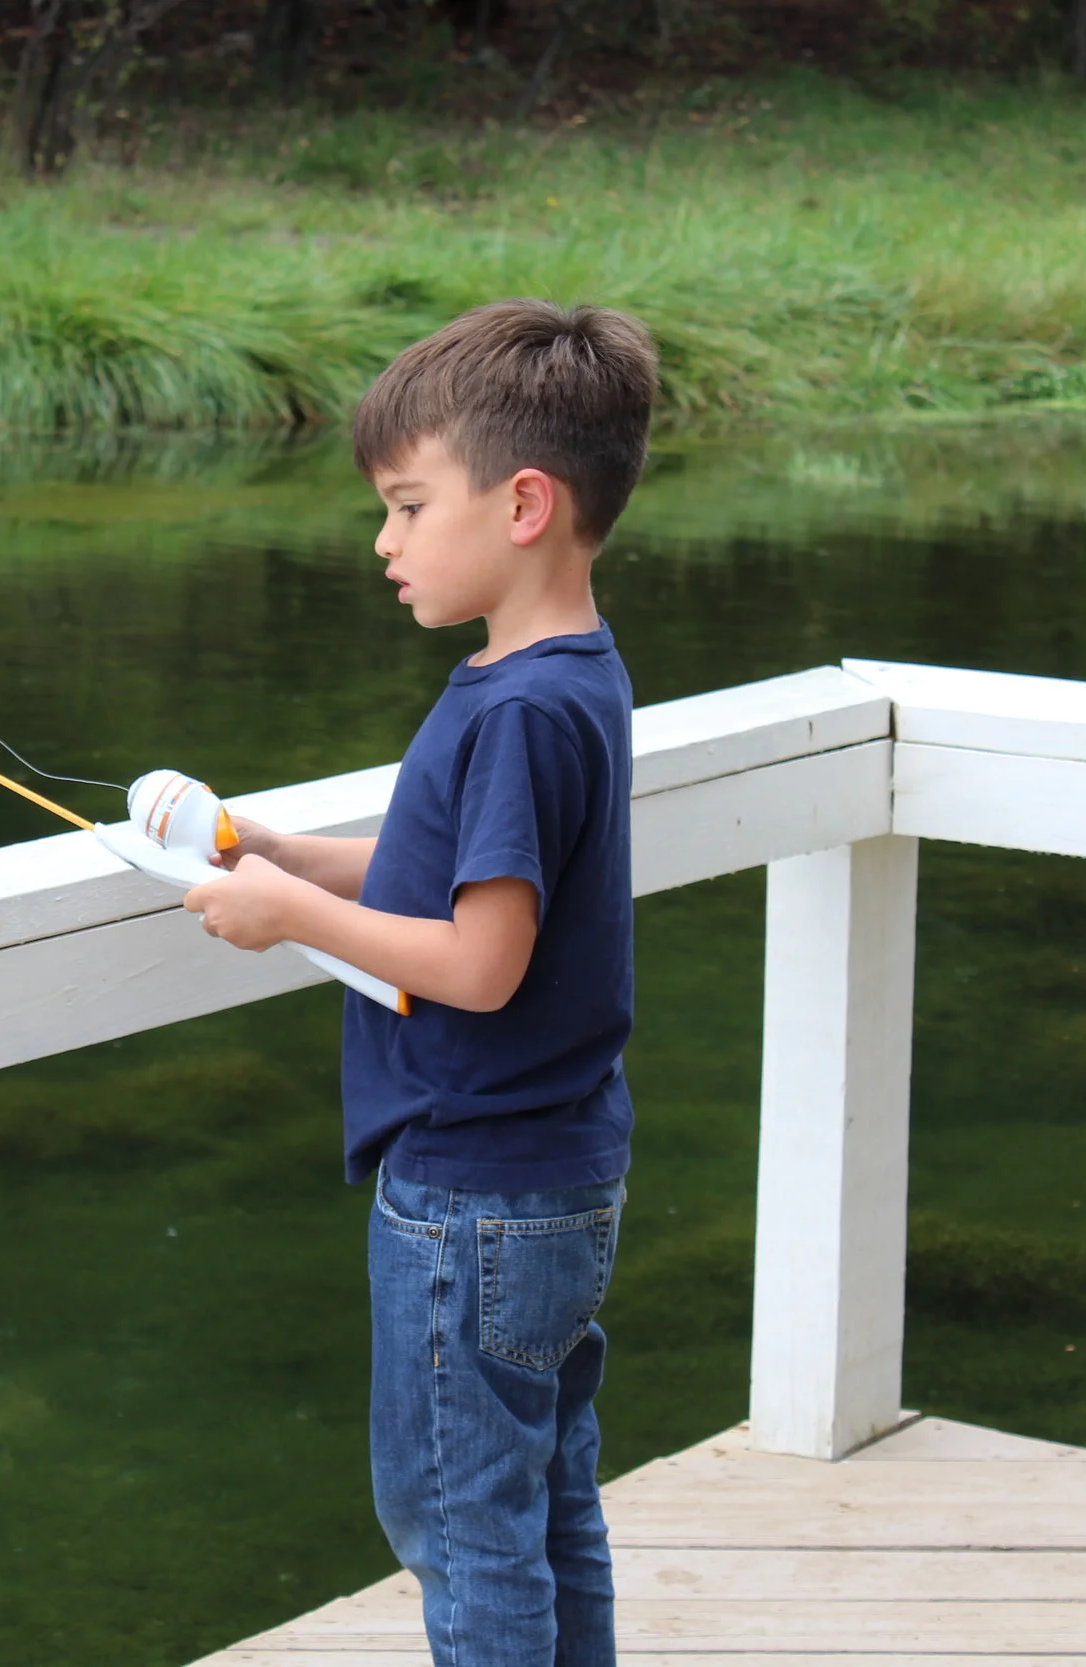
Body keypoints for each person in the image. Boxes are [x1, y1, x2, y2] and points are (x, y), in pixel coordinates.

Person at [183, 298, 655, 1667]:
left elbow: (480, 959)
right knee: (545, 1488)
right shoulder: (570, 674)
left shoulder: (511, 707)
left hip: (472, 1192)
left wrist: (279, 917)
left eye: (403, 506)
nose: (382, 542)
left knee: (458, 1518)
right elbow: (451, 868)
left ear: (521, 504)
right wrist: (291, 855)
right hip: (557, 1166)